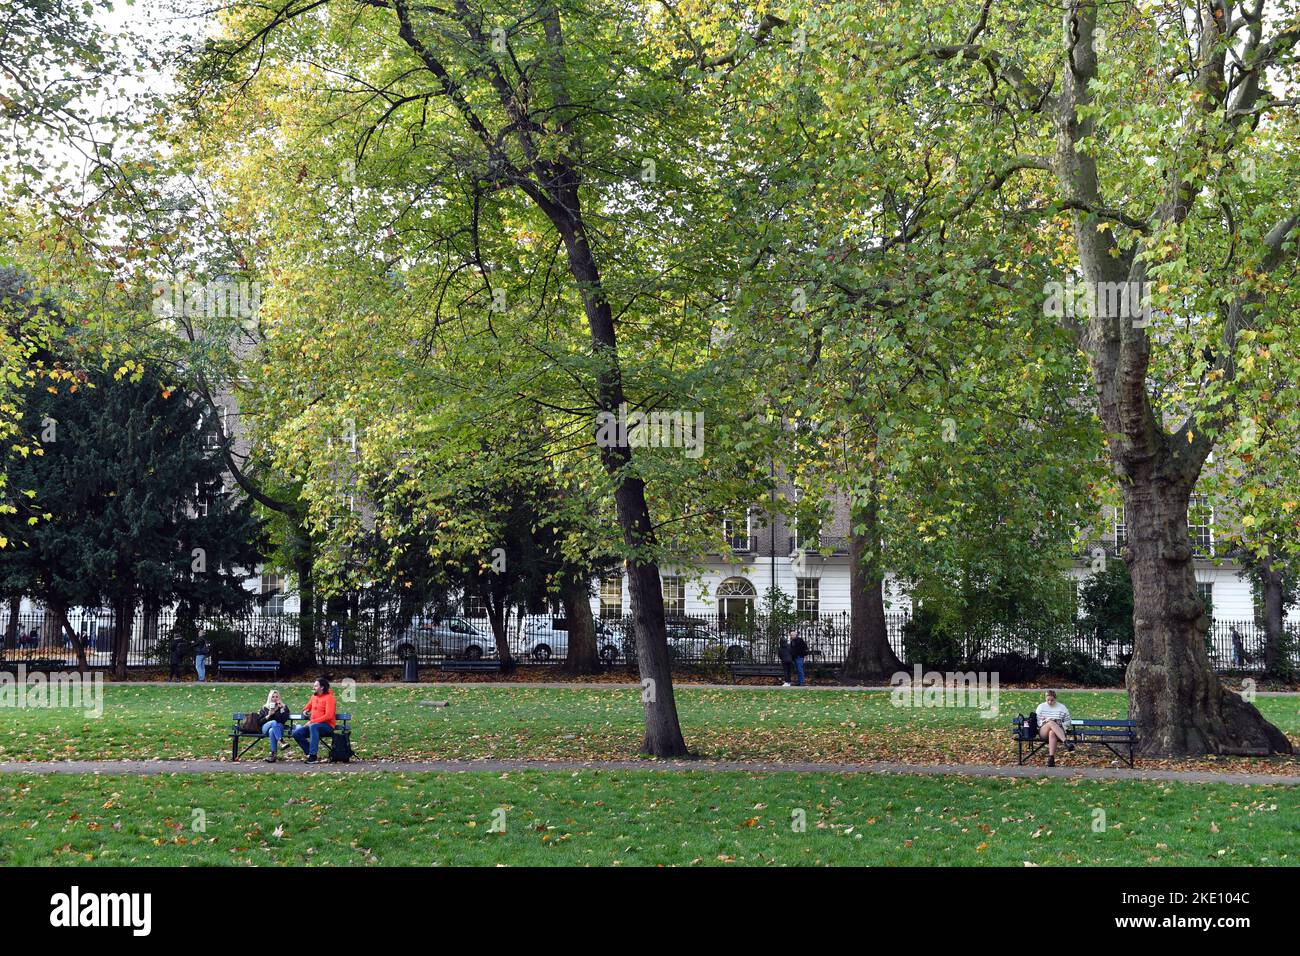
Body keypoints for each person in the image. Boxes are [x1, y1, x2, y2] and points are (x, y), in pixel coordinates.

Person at [292, 677, 336, 764]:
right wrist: (305, 711)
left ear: (322, 687)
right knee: (297, 733)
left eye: (315, 686)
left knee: (314, 726)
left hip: (327, 726)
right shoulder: (314, 697)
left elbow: (329, 715)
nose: (313, 688)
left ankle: (313, 756)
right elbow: (307, 707)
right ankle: (310, 753)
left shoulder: (329, 698)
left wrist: (312, 721)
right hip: (314, 726)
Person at [1035, 689, 1074, 767]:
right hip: (1043, 730)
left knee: (1052, 732)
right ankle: (1066, 742)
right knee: (1051, 722)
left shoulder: (1062, 707)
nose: (1050, 702)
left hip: (1058, 731)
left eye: (1052, 700)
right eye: (1048, 700)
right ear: (1045, 699)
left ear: (1055, 699)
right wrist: (1045, 721)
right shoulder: (1041, 707)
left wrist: (1061, 723)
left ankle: (1051, 759)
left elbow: (1068, 721)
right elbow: (1037, 722)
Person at [257, 689, 293, 763]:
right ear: (270, 698)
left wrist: (282, 709)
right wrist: (269, 715)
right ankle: (281, 741)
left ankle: (273, 755)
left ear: (279, 698)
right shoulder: (265, 707)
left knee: (272, 731)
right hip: (265, 728)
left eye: (277, 697)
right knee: (273, 722)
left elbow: (283, 720)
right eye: (273, 697)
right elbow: (260, 722)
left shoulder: (283, 707)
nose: (275, 698)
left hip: (278, 729)